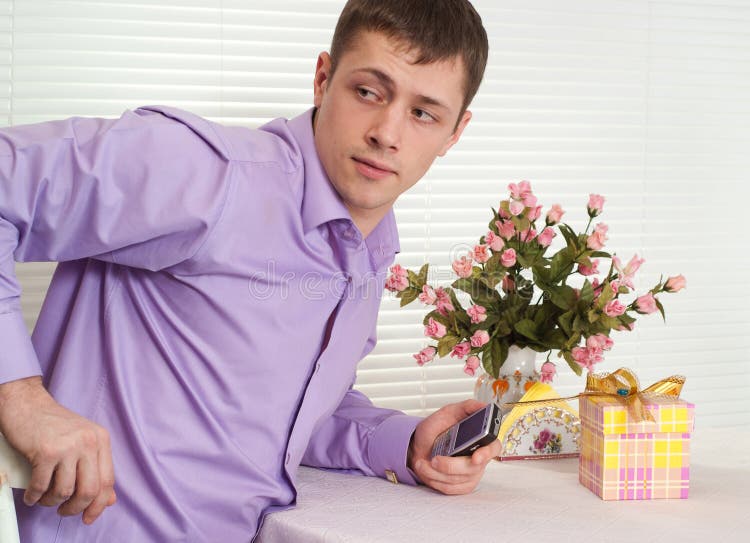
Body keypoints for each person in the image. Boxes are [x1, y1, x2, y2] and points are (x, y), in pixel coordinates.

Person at [0, 0, 496, 540]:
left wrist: (405, 441)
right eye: (368, 92)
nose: (387, 132)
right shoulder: (207, 174)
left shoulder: (369, 250)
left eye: (424, 113)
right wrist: (20, 399)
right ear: (323, 79)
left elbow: (285, 411)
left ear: (455, 132)